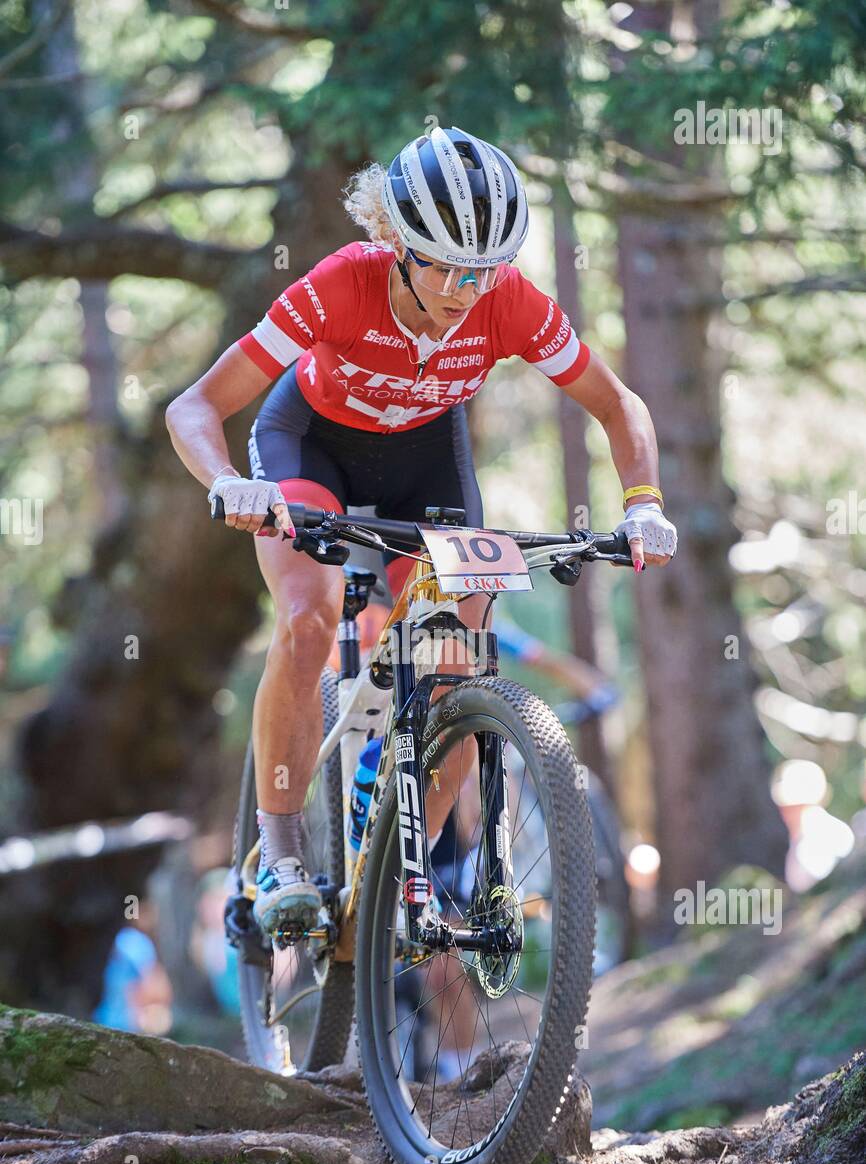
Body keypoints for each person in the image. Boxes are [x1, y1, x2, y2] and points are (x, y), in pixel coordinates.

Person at [166, 125, 677, 939]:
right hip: (310, 448)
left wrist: (643, 502)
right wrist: (231, 484)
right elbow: (194, 405)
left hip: (428, 461)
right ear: (397, 243)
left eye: (483, 269)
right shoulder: (342, 284)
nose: (464, 288)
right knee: (307, 618)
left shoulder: (509, 300)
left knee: (462, 655)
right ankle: (284, 852)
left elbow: (618, 404)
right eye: (442, 264)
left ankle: (392, 865)